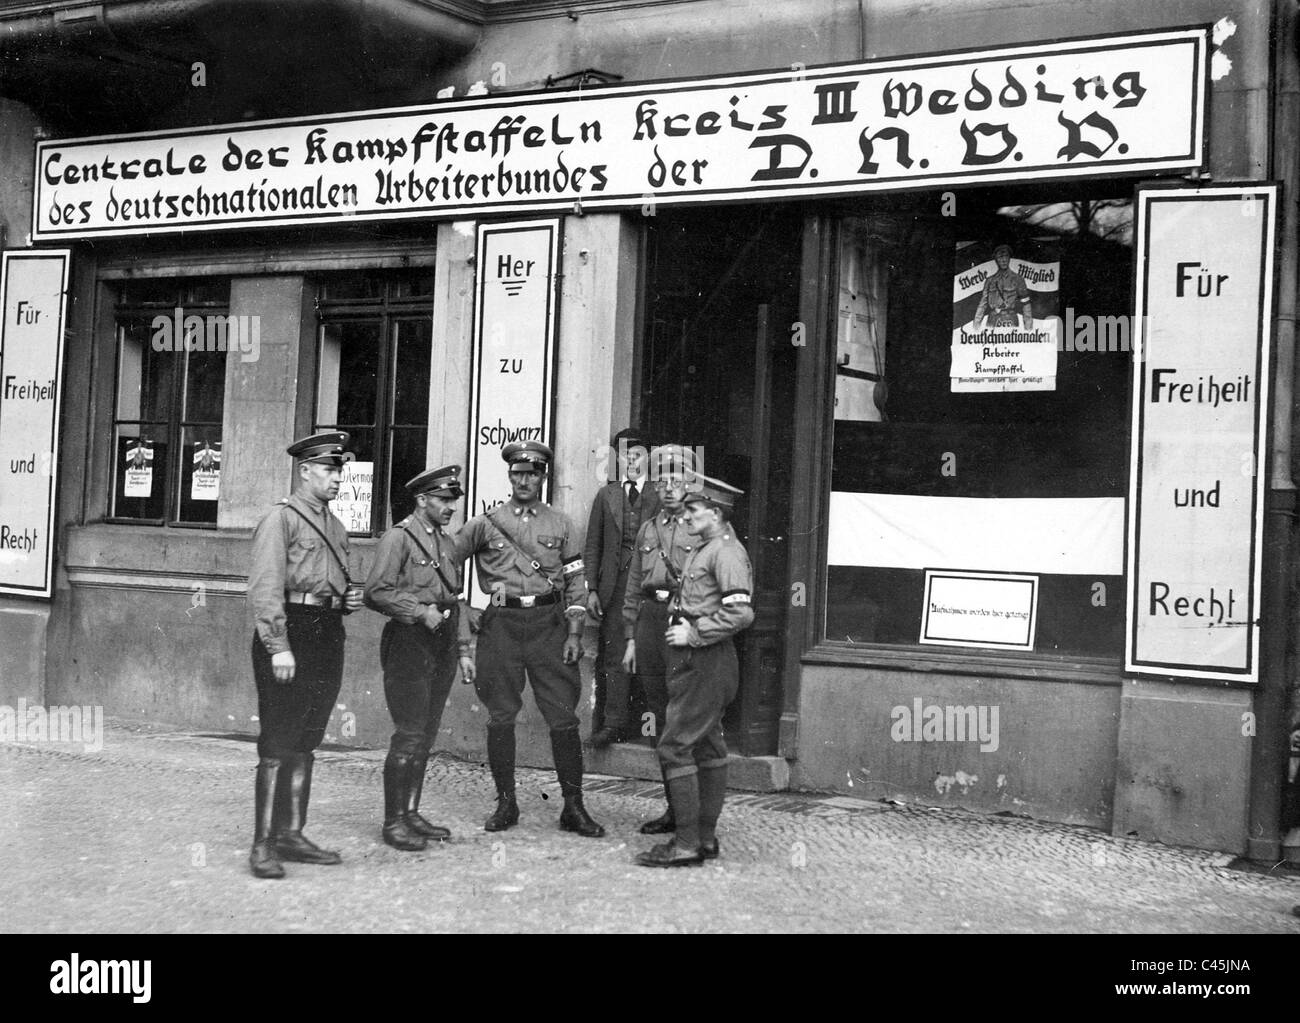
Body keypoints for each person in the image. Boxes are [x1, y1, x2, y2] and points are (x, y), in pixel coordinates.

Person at [453, 440, 605, 837]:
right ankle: (507, 804)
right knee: (501, 715)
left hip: (548, 625)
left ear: (542, 478)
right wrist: (463, 605)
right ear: (509, 476)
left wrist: (575, 631)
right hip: (501, 624)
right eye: (518, 473)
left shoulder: (561, 524)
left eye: (533, 473)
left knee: (563, 716)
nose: (525, 480)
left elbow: (575, 580)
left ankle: (573, 806)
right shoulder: (484, 523)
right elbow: (447, 561)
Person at [246, 431, 364, 880]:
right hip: (291, 631)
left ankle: (292, 832)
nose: (337, 478)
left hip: (326, 633)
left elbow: (327, 581)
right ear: (305, 471)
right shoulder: (281, 519)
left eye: (340, 470)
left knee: (308, 734)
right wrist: (278, 646)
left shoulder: (334, 526)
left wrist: (344, 601)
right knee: (278, 736)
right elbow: (265, 586)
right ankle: (262, 844)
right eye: (330, 469)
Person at [636, 473, 754, 868]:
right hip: (701, 660)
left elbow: (741, 612)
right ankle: (703, 839)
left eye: (693, 509)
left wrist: (696, 633)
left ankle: (685, 843)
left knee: (675, 745)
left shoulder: (726, 552)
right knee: (707, 744)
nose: (685, 516)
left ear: (716, 513)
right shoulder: (708, 547)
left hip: (706, 660)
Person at [364, 464, 475, 852]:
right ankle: (393, 821)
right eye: (443, 500)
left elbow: (455, 601)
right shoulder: (398, 538)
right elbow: (376, 591)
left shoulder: (446, 544)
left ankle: (411, 813)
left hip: (441, 642)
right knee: (409, 732)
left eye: (453, 501)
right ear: (422, 499)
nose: (450, 508)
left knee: (426, 733)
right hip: (409, 640)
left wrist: (463, 650)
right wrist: (417, 611)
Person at [621, 444, 697, 834]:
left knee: (685, 718)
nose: (668, 487)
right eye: (662, 479)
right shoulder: (648, 529)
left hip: (684, 622)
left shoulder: (702, 528)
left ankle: (693, 814)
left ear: (691, 483)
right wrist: (632, 637)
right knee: (659, 713)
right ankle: (673, 807)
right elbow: (634, 584)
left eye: (677, 478)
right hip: (651, 622)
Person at [584, 427, 659, 747]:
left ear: (648, 458)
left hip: (650, 588)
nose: (631, 460)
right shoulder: (607, 496)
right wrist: (590, 589)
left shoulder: (660, 493)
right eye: (625, 454)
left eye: (637, 454)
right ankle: (613, 724)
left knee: (653, 657)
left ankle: (655, 728)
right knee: (615, 655)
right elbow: (593, 546)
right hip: (614, 591)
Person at [971, 243, 1033, 330]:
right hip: (993, 320)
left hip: (1010, 320)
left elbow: (1026, 305)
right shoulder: (990, 281)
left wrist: (1028, 328)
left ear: (1009, 258)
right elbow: (982, 305)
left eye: (1006, 256)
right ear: (996, 259)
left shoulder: (1018, 279)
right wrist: (975, 328)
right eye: (1000, 257)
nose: (1003, 260)